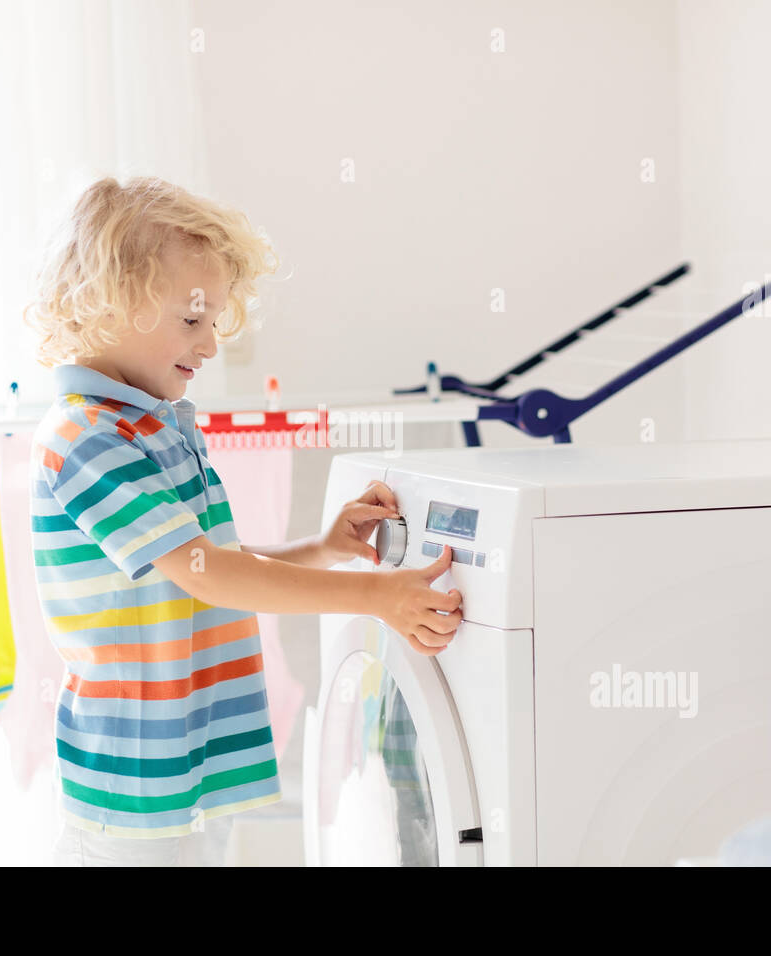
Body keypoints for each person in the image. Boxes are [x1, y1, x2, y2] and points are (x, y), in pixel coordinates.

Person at [23, 176, 463, 866]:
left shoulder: (154, 426)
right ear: (110, 304)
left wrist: (321, 549)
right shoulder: (87, 436)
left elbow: (204, 561)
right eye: (191, 320)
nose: (209, 345)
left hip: (183, 763)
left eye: (214, 323)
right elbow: (215, 577)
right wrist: (376, 597)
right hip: (133, 779)